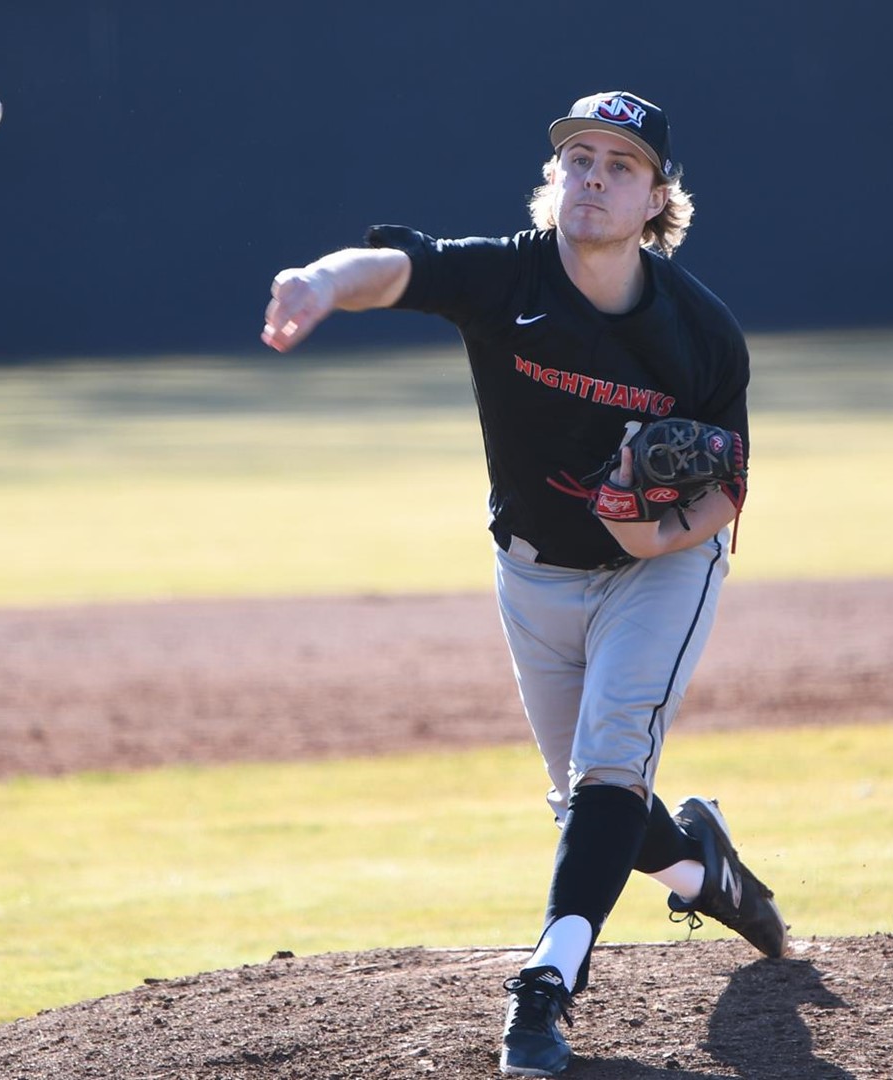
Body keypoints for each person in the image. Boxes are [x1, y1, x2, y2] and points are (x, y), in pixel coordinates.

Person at [260, 90, 786, 1078]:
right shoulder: (507, 277)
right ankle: (702, 868)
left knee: (609, 762)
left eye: (618, 165)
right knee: (587, 804)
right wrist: (322, 282)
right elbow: (399, 270)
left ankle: (545, 984)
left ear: (655, 197)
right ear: (556, 180)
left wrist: (654, 534)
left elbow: (732, 487)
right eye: (578, 158)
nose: (592, 176)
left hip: (660, 574)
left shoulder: (701, 332)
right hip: (532, 574)